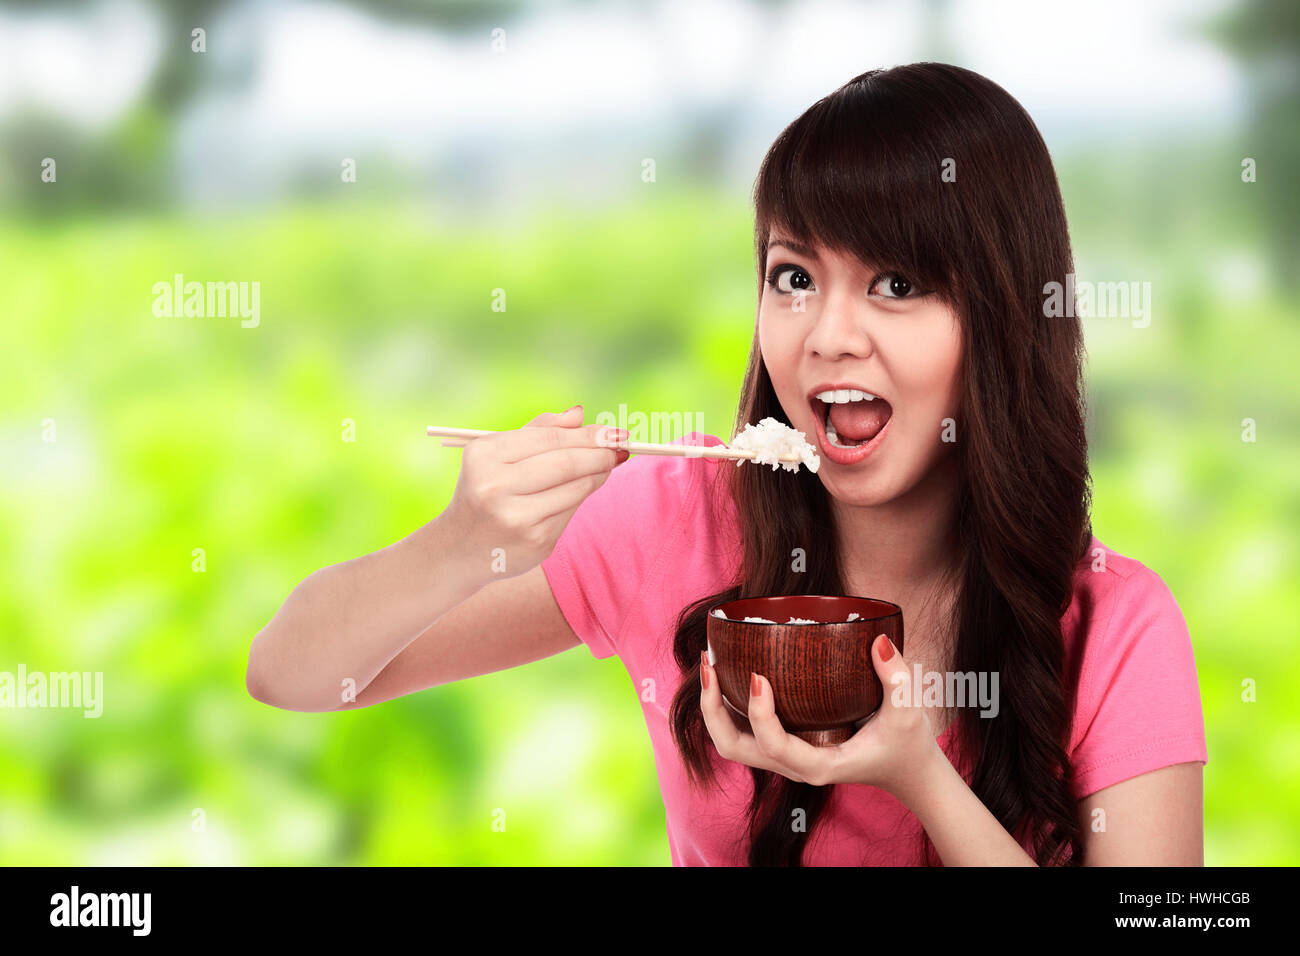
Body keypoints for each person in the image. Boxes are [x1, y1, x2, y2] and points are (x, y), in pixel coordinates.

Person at [247, 62, 1207, 866]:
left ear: (1000, 317)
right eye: (795, 277)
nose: (828, 336)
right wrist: (466, 543)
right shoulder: (671, 518)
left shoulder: (1119, 627)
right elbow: (293, 674)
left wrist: (922, 777)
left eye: (896, 284)